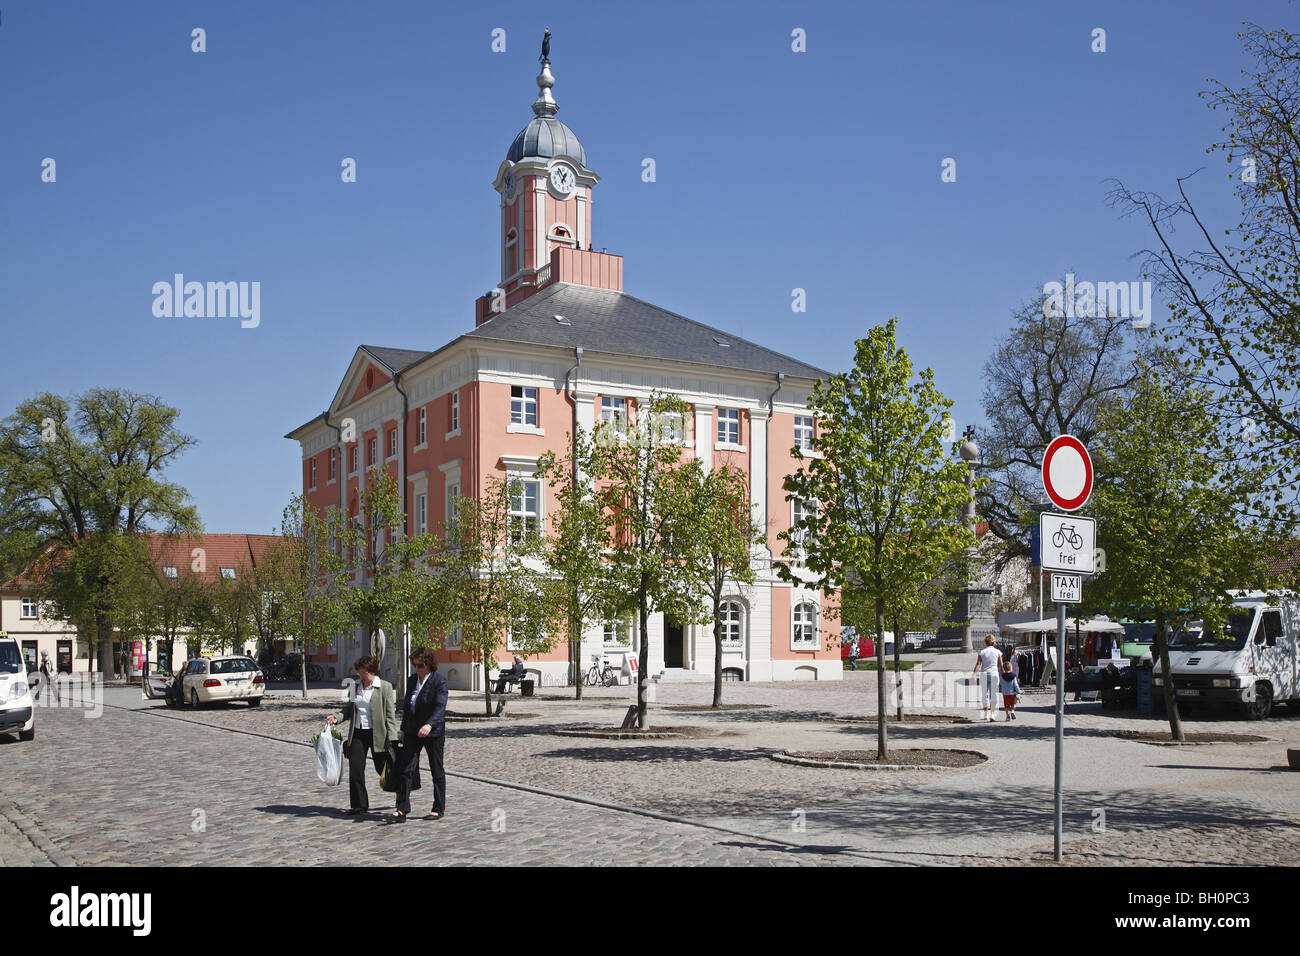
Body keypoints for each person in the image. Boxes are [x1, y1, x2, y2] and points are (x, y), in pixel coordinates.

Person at [326, 656, 397, 817]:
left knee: (384, 769)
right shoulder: (354, 686)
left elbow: (390, 716)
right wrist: (336, 717)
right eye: (359, 673)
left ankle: (401, 798)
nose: (361, 676)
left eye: (364, 673)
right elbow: (347, 709)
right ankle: (359, 805)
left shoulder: (384, 687)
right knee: (356, 769)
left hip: (378, 734)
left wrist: (393, 738)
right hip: (358, 733)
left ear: (372, 672)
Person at [389, 649, 448, 823]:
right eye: (414, 665)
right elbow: (408, 707)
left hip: (433, 733)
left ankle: (438, 807)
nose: (417, 669)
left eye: (420, 665)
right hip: (413, 731)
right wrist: (403, 730)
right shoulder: (412, 680)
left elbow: (440, 707)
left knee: (436, 769)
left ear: (429, 665)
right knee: (406, 768)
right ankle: (402, 808)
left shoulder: (439, 682)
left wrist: (429, 725)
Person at [973, 634, 1003, 722]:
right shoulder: (998, 652)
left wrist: (974, 674)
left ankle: (986, 714)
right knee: (993, 694)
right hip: (994, 674)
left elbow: (978, 664)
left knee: (984, 695)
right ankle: (992, 714)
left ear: (985, 642)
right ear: (994, 642)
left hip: (984, 674)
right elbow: (1001, 665)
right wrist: (1005, 674)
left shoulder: (982, 652)